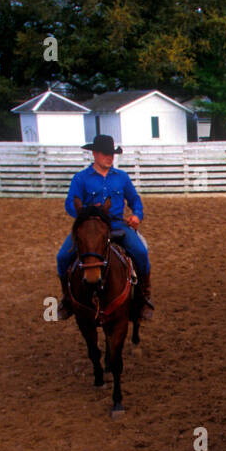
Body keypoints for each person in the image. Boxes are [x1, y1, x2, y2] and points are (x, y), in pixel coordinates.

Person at [56, 135, 152, 319]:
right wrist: (86, 214)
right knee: (62, 257)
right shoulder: (80, 179)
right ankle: (67, 299)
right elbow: (70, 204)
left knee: (141, 252)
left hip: (117, 225)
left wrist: (136, 215)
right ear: (94, 154)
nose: (110, 157)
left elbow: (135, 200)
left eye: (112, 154)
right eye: (106, 154)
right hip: (89, 228)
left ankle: (143, 297)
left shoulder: (122, 178)